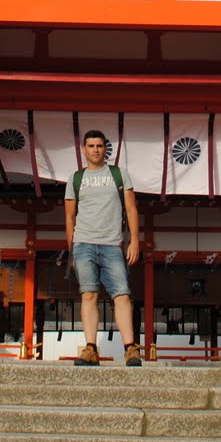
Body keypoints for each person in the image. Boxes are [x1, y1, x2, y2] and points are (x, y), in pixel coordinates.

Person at [64, 129, 142, 366]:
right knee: (88, 294)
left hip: (111, 244)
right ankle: (90, 348)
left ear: (105, 148)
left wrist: (135, 240)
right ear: (83, 149)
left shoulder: (119, 175)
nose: (95, 150)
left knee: (122, 294)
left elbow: (131, 209)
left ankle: (130, 348)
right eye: (91, 146)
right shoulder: (76, 178)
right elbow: (70, 217)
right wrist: (72, 250)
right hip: (84, 243)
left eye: (99, 146)